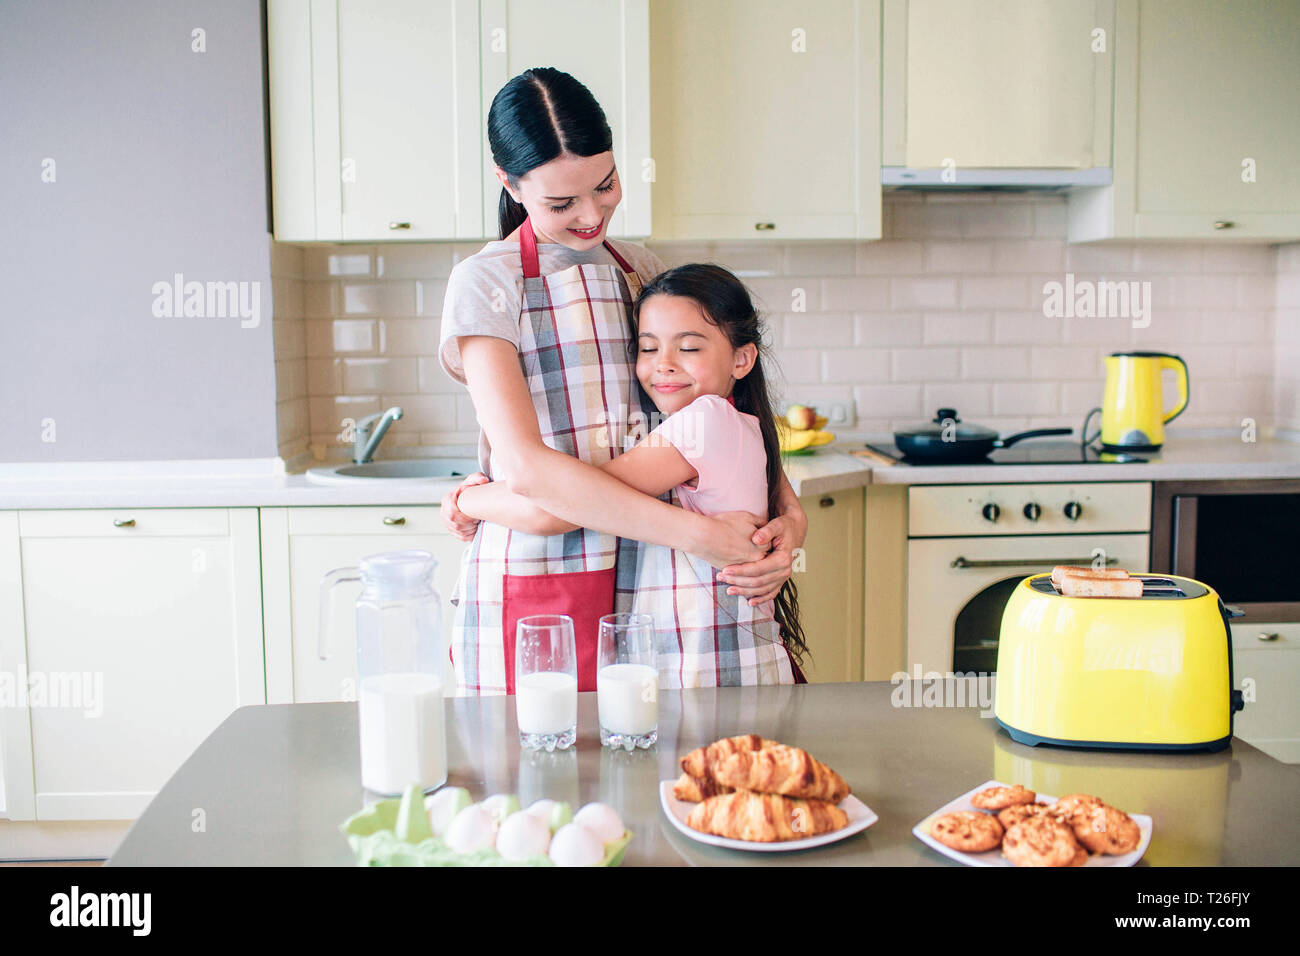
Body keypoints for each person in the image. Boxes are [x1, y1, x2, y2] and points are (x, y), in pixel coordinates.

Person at [437, 67, 807, 695]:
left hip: (657, 574)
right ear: (509, 183)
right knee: (544, 779)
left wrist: (787, 525)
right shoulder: (486, 284)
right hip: (544, 565)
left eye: (605, 186)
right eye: (561, 203)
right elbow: (528, 469)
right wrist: (702, 534)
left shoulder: (640, 268)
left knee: (653, 771)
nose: (591, 215)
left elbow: (726, 416)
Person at [452, 263, 808, 687]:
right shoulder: (737, 421)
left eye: (689, 349)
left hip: (712, 662)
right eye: (648, 348)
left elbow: (562, 506)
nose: (665, 366)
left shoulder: (703, 423)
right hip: (734, 654)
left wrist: (465, 500)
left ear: (742, 358)